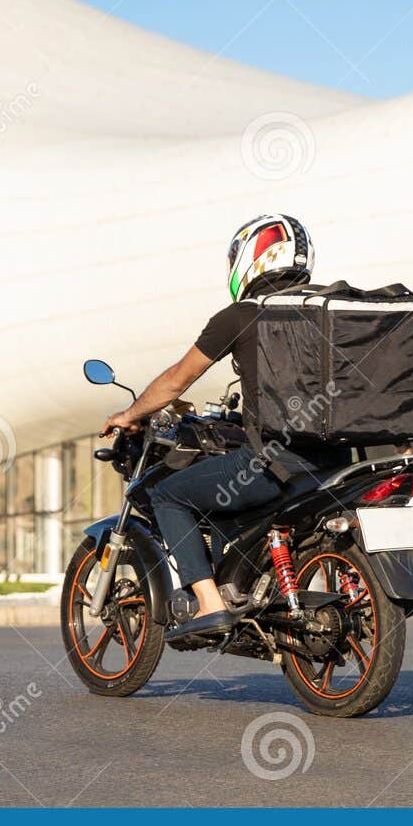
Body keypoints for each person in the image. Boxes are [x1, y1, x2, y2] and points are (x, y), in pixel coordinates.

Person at [99, 214, 349, 639]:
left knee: (167, 494)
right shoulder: (333, 314)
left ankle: (210, 603)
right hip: (336, 463)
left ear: (253, 257)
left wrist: (132, 414)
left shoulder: (241, 316)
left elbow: (178, 378)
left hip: (275, 466)